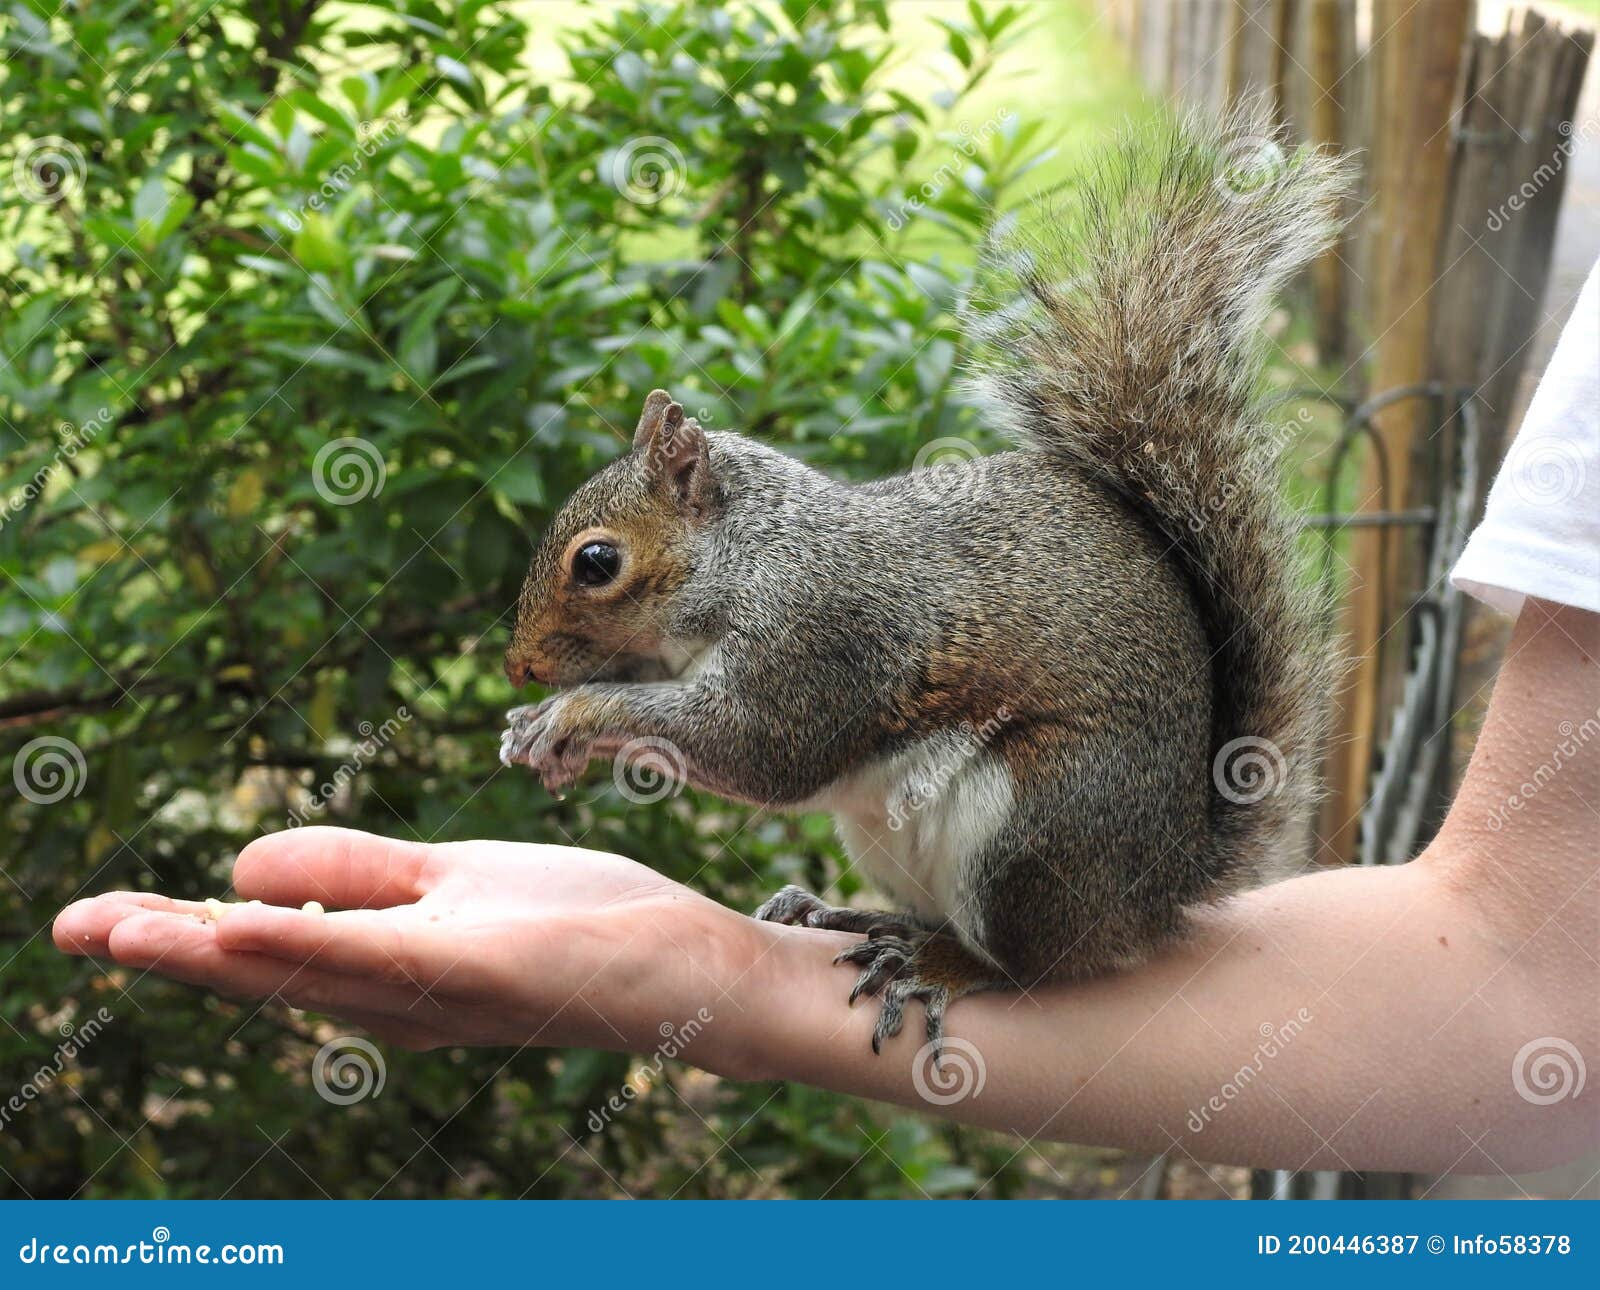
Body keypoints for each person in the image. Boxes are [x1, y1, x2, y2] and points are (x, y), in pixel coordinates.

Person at [54, 262, 1599, 1178]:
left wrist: (611, 709)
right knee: (881, 804)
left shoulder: (800, 590)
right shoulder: (772, 600)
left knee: (947, 809)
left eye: (601, 580)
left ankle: (974, 940)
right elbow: (788, 759)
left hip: (1057, 771)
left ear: (690, 484)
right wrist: (728, 967)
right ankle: (930, 920)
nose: (576, 624)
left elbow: (775, 745)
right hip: (943, 752)